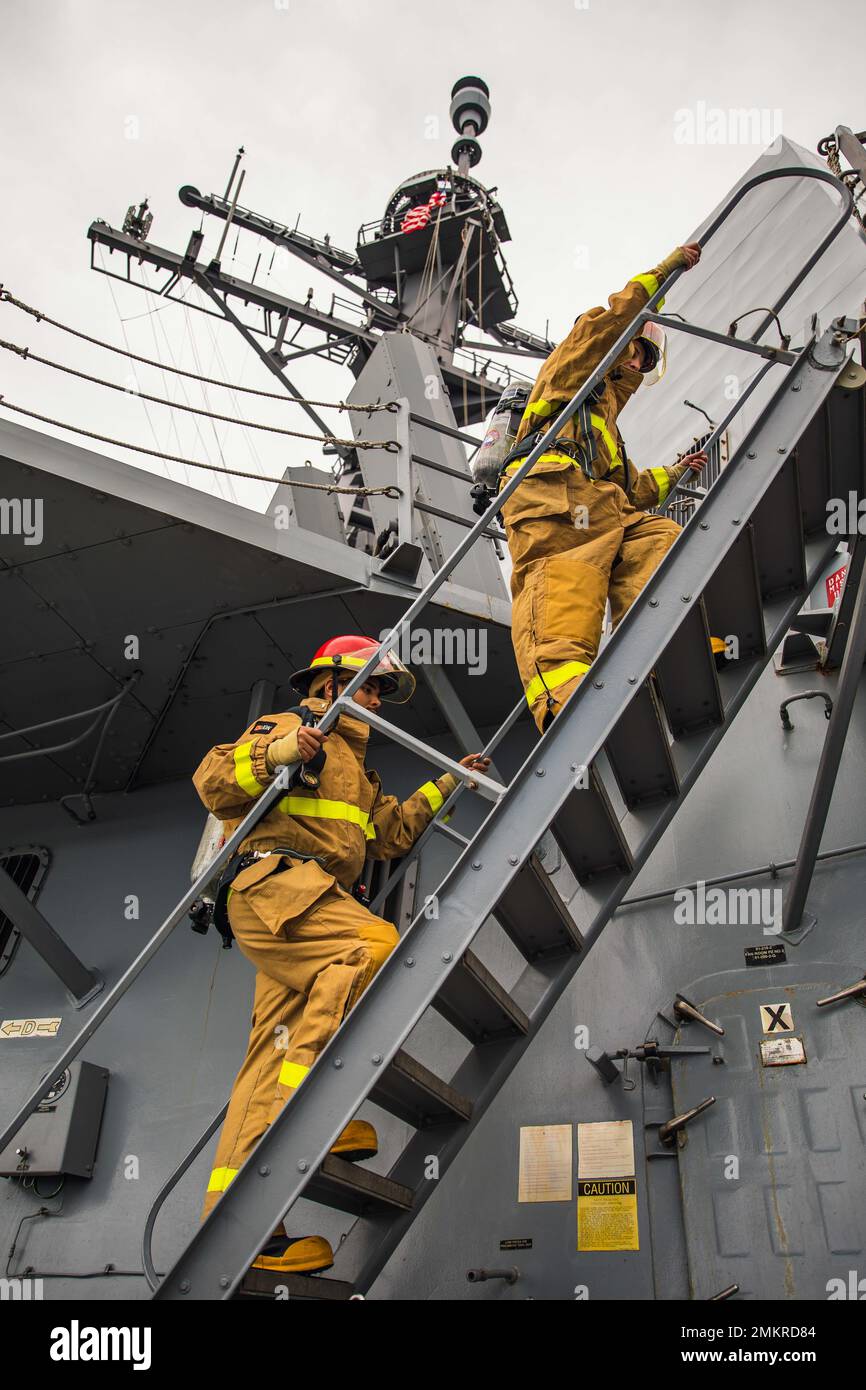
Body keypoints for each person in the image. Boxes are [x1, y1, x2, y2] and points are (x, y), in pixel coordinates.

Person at [192, 634, 489, 1275]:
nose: (377, 699)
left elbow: (389, 835)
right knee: (381, 947)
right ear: (328, 684)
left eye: (381, 689)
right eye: (368, 684)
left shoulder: (358, 772)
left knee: (268, 1058)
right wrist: (278, 752)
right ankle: (316, 1114)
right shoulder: (298, 725)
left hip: (303, 906)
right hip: (279, 887)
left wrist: (449, 784)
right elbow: (213, 780)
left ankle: (240, 1228)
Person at [500, 243, 713, 732]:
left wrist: (677, 472)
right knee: (566, 585)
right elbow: (609, 324)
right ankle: (564, 705)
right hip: (552, 497)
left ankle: (656, 649)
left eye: (646, 360)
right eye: (639, 351)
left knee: (657, 539)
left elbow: (630, 488)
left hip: (599, 504)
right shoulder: (574, 368)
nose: (638, 364)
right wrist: (663, 274)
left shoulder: (606, 423)